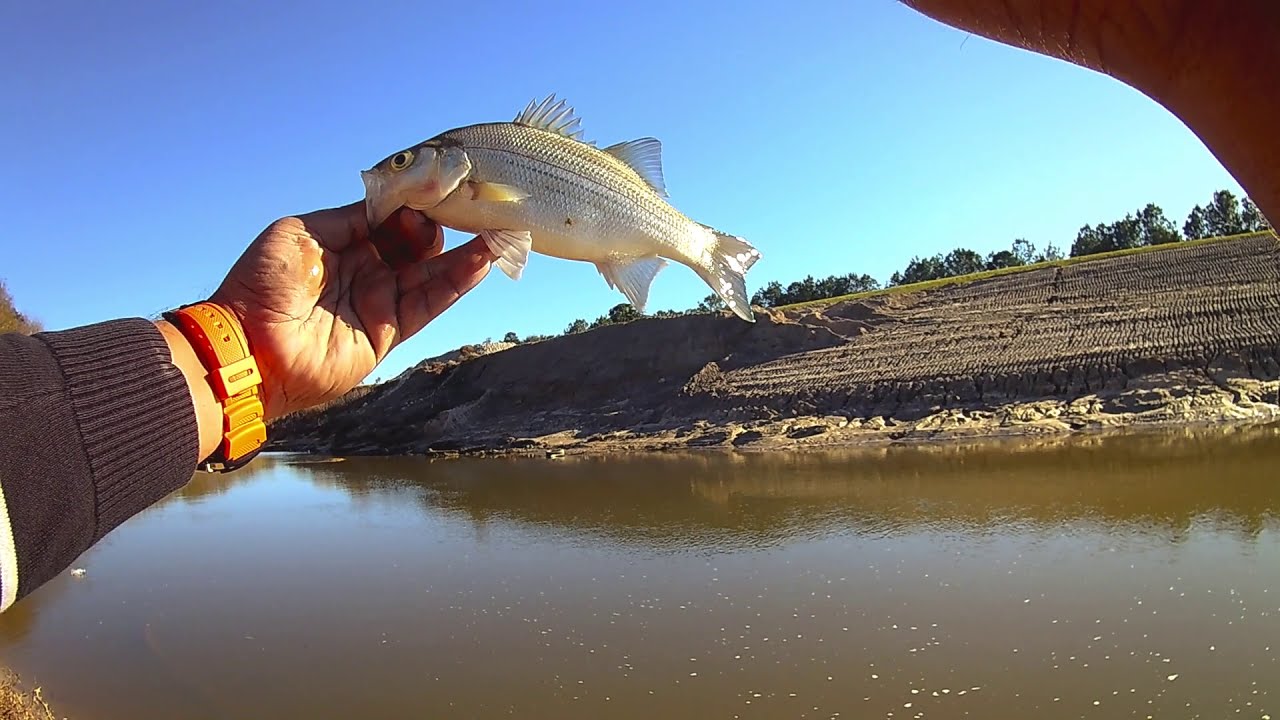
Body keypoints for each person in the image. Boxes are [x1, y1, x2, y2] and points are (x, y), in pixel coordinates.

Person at [0, 0, 1275, 613]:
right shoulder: (476, 205)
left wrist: (227, 358)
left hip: (616, 217)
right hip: (543, 240)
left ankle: (701, 248)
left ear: (447, 166)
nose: (386, 185)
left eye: (399, 165)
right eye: (394, 175)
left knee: (664, 241)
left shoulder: (479, 171)